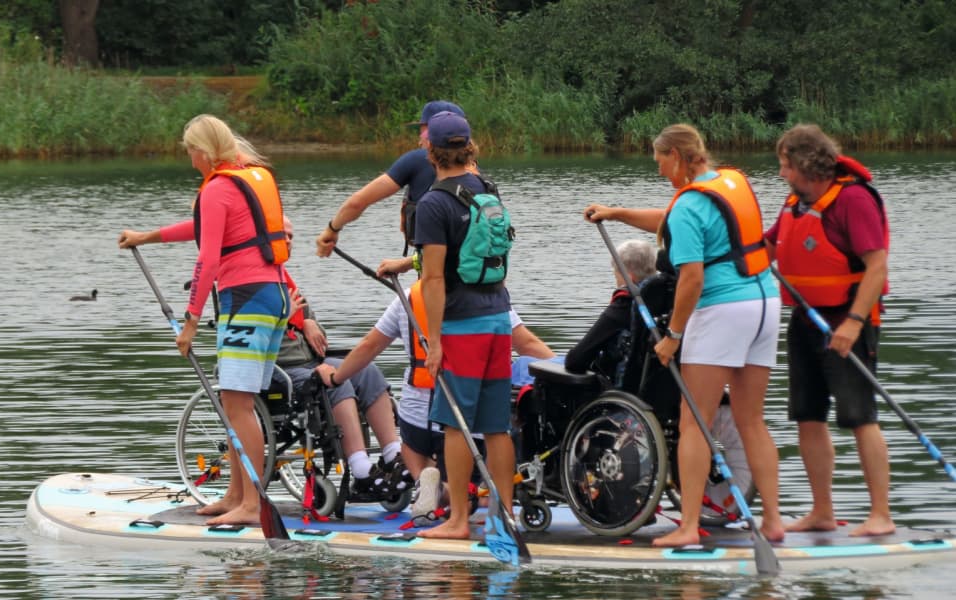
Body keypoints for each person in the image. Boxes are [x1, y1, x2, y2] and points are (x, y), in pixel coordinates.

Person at [584, 123, 784, 547]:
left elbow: (691, 278)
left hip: (724, 308)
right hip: (765, 302)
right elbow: (671, 220)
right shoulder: (732, 181)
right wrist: (616, 212)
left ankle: (689, 526)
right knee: (751, 420)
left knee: (694, 422)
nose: (660, 172)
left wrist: (673, 334)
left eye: (660, 162)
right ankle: (773, 521)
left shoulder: (691, 205)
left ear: (676, 155)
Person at [118, 114, 289, 526]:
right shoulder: (246, 174)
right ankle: (235, 494)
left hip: (246, 300)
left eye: (190, 152)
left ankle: (252, 504)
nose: (190, 160)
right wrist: (147, 237)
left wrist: (191, 320)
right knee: (235, 404)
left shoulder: (218, 188)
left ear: (203, 150)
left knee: (239, 406)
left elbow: (208, 258)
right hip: (274, 295)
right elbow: (204, 228)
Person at [377, 111, 516, 540]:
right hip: (498, 317)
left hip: (463, 326)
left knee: (455, 425)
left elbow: (433, 277)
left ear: (430, 151)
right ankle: (502, 515)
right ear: (469, 147)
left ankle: (457, 521)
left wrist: (433, 341)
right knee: (497, 426)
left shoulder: (433, 203)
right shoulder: (487, 190)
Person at [321, 280, 554, 517]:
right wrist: (563, 368)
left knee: (412, 445)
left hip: (417, 426)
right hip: (466, 429)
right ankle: (458, 494)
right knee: (491, 440)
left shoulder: (409, 298)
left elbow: (368, 346)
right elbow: (527, 344)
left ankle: (429, 483)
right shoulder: (486, 299)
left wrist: (336, 378)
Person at [765, 124, 894, 537]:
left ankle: (881, 514)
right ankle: (822, 510)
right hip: (805, 319)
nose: (783, 174)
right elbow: (763, 247)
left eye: (786, 165)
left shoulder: (853, 200)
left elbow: (877, 266)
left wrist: (854, 324)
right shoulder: (796, 203)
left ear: (806, 164)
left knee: (860, 416)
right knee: (807, 416)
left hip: (847, 320)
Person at [277, 218, 413, 501]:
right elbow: (251, 338)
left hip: (308, 361)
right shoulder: (252, 281)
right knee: (334, 379)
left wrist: (307, 323)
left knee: (365, 370)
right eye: (281, 235)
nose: (288, 241)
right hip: (279, 370)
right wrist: (283, 318)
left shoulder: (284, 278)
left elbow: (313, 326)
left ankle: (393, 454)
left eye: (291, 235)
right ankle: (361, 469)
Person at [316, 100, 467, 257]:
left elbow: (357, 202)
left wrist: (332, 229)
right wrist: (405, 264)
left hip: (438, 275)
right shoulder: (476, 173)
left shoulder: (418, 159)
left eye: (422, 132)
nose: (419, 140)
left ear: (433, 132)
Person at [565, 239, 657, 379]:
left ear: (629, 277)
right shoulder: (665, 299)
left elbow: (575, 360)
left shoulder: (626, 304)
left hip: (619, 383)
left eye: (616, 274)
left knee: (527, 364)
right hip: (656, 382)